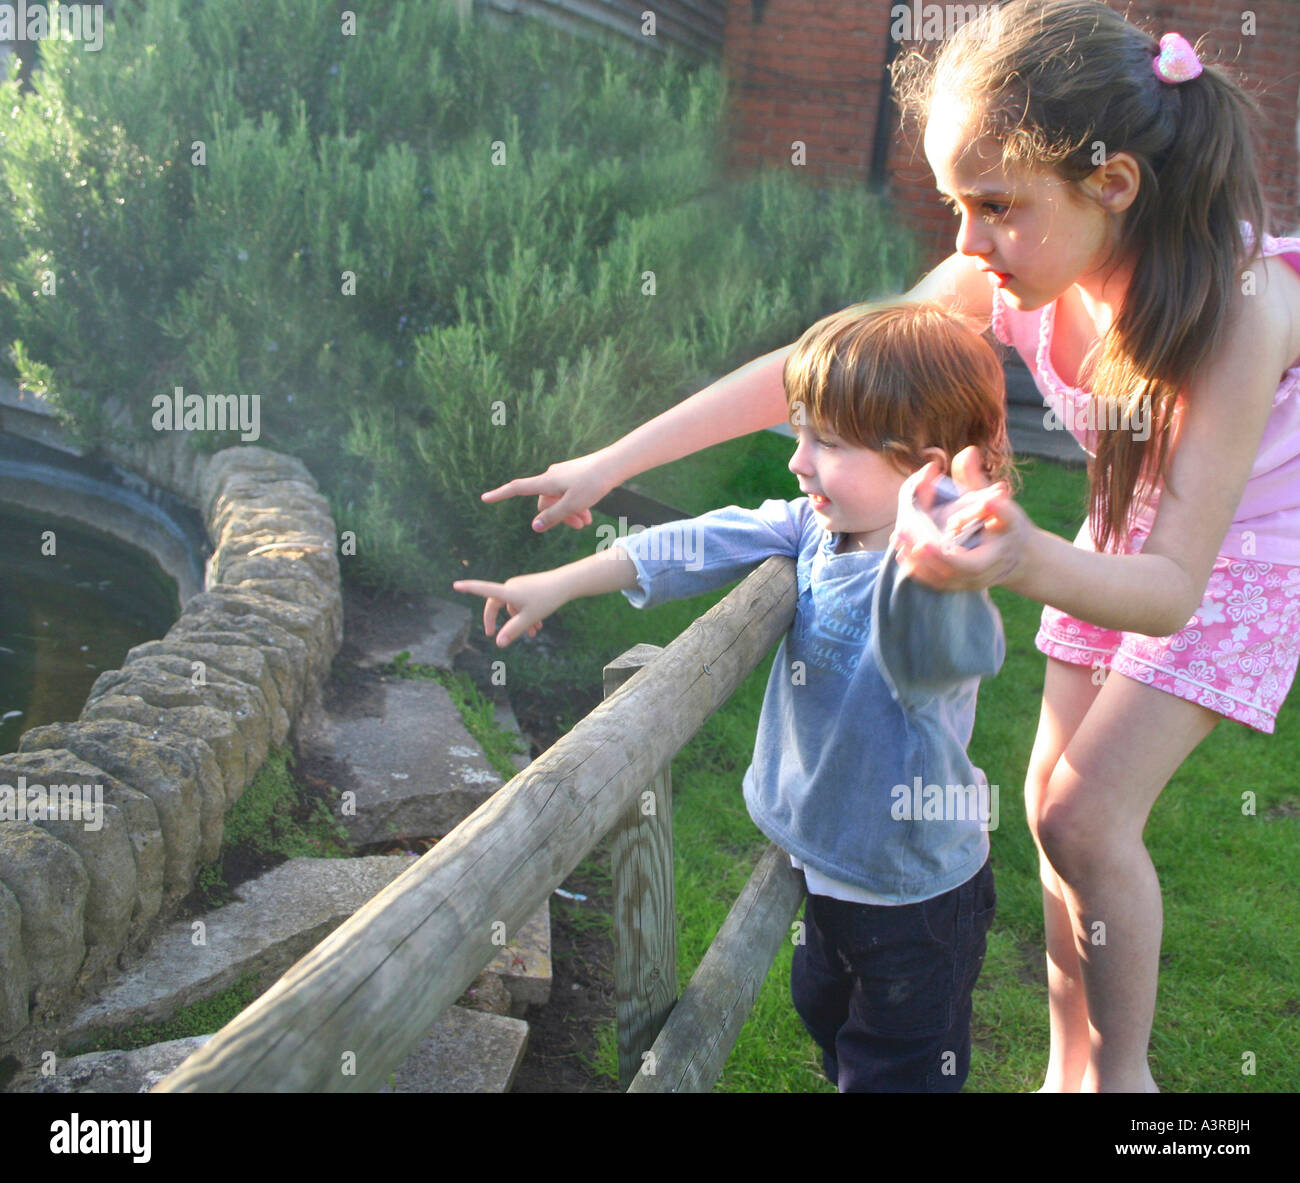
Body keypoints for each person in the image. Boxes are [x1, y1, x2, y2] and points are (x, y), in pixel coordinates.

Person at [478, 0, 1300, 1092]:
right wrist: (611, 462)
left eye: (995, 205)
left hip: (1230, 559)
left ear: (1112, 185)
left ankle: (1126, 1084)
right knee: (1052, 817)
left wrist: (1016, 560)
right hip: (1115, 524)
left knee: (1083, 815)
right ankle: (1069, 1070)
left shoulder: (1243, 309)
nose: (963, 243)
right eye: (957, 204)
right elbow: (820, 369)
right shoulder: (1009, 272)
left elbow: (1164, 588)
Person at [457, 300, 1011, 1091]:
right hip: (824, 870)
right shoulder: (815, 529)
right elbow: (694, 542)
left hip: (915, 896)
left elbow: (967, 650)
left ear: (922, 468)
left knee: (899, 1072)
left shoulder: (937, 578)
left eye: (827, 442)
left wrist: (946, 555)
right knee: (824, 1016)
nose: (797, 461)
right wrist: (557, 583)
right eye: (799, 432)